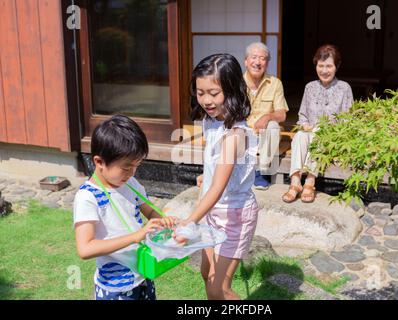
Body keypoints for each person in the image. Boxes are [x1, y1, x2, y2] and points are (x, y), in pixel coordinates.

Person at [175, 53, 259, 300]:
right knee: (206, 274)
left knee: (218, 289)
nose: (206, 100)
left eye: (214, 93)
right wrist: (206, 174)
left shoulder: (236, 135)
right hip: (212, 212)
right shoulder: (210, 121)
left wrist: (189, 221)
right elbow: (214, 161)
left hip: (235, 215)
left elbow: (219, 188)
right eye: (200, 93)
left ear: (231, 90)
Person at [73, 114, 177, 300]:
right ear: (99, 162)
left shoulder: (130, 184)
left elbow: (150, 211)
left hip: (143, 276)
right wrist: (135, 236)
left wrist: (163, 220)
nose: (132, 173)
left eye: (136, 166)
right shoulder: (87, 198)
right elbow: (85, 248)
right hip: (115, 287)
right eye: (126, 167)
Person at [282, 44, 353, 203]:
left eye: (329, 66)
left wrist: (326, 129)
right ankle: (295, 183)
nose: (324, 70)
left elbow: (348, 121)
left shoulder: (344, 88)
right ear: (316, 66)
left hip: (331, 139)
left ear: (337, 66)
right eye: (321, 66)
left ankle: (309, 182)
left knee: (319, 132)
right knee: (300, 135)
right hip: (309, 134)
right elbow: (302, 115)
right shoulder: (310, 87)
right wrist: (305, 125)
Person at [243, 42, 289, 190]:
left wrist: (267, 117)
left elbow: (282, 115)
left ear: (267, 63)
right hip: (244, 132)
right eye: (254, 57)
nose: (257, 62)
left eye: (262, 58)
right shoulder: (237, 83)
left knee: (274, 126)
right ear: (246, 61)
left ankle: (261, 171)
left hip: (265, 134)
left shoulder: (275, 83)